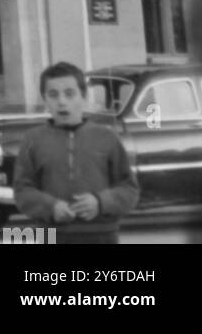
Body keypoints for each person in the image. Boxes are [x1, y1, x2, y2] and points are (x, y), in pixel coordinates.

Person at [13, 61, 138, 245]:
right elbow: (22, 191)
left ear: (84, 96)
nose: (62, 101)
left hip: (102, 236)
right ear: (44, 99)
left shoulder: (107, 137)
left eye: (70, 94)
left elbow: (129, 190)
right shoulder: (33, 140)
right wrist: (51, 207)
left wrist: (100, 202)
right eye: (53, 95)